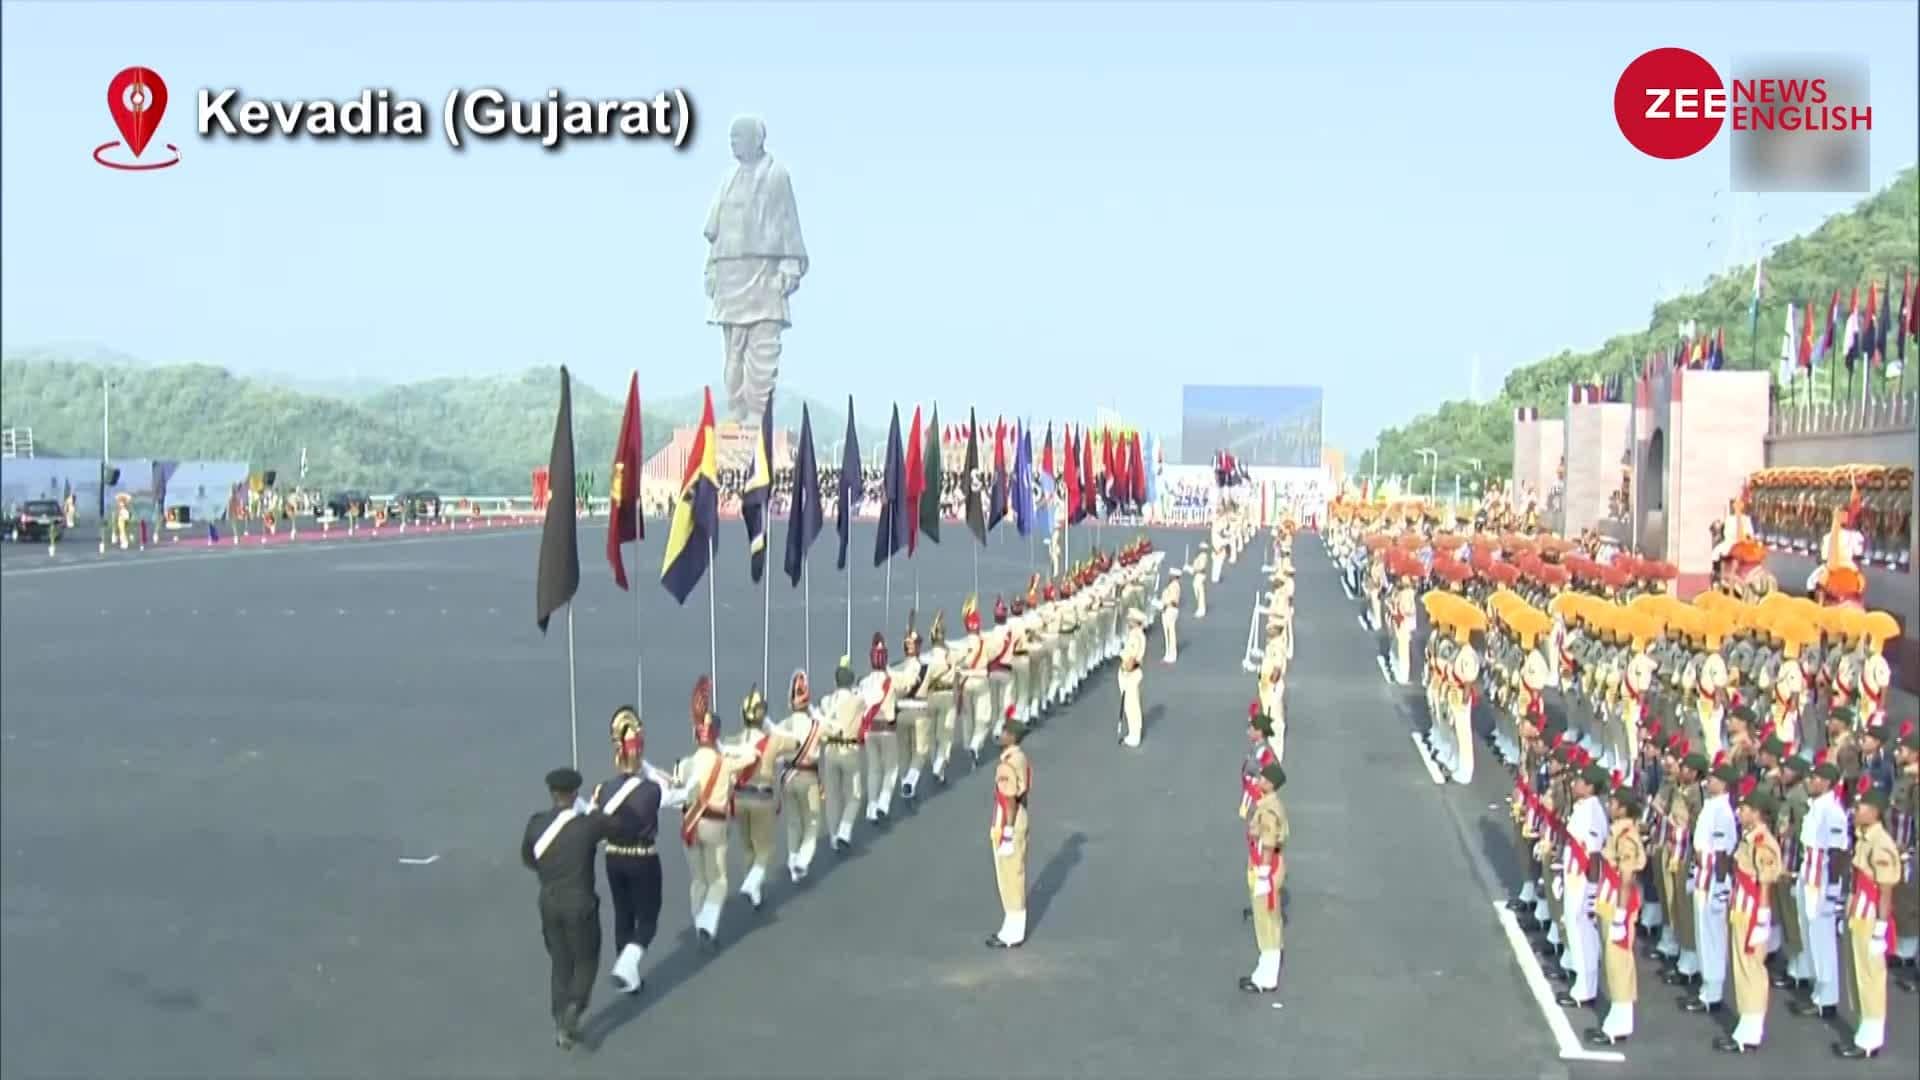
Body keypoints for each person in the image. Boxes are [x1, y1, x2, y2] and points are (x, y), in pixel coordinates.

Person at [703, 115, 809, 423]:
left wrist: (789, 267)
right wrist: (710, 269)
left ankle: (758, 414)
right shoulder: (728, 179)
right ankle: (736, 409)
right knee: (733, 351)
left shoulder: (776, 175)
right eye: (731, 137)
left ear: (757, 139)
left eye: (739, 137)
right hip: (729, 274)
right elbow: (715, 232)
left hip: (764, 273)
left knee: (763, 349)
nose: (733, 142)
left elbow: (788, 223)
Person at [592, 707, 677, 995]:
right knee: (649, 918)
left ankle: (630, 978)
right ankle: (626, 965)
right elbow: (676, 791)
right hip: (643, 860)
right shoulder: (652, 790)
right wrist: (648, 766)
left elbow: (593, 815)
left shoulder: (602, 790)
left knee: (623, 914)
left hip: (613, 858)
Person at [520, 767, 606, 1050]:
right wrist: (592, 808)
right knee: (586, 960)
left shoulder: (535, 824)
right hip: (579, 903)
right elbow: (614, 826)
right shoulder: (586, 826)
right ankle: (574, 1009)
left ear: (552, 793)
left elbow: (529, 859)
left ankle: (560, 1022)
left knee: (560, 962)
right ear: (574, 793)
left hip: (549, 901)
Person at [671, 676, 759, 948]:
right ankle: (708, 922)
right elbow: (753, 756)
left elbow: (677, 793)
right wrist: (725, 748)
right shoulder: (725, 762)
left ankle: (699, 921)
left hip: (691, 823)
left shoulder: (685, 763)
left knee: (698, 880)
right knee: (718, 879)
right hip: (716, 826)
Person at [1834, 787, 1903, 1059]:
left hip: (1873, 914)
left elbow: (1885, 889)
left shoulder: (1881, 842)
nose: (1855, 811)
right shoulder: (1863, 837)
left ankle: (1871, 1038)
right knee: (1858, 974)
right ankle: (1864, 1027)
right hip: (1859, 914)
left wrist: (1881, 929)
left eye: (1861, 807)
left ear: (1875, 812)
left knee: (1871, 977)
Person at [1719, 784, 1783, 1054]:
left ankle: (1751, 1028)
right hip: (1742, 908)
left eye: (1744, 808)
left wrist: (1763, 918)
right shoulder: (1749, 838)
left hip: (1753, 910)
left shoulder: (1762, 842)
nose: (1739, 812)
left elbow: (1765, 881)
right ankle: (1746, 1023)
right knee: (1742, 967)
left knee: (1752, 968)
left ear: (1756, 813)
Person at [1586, 785, 1646, 1046]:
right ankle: (1617, 1014)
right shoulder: (1618, 832)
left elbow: (1627, 878)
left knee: (1618, 961)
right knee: (1611, 961)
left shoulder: (1627, 836)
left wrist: (1621, 915)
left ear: (1624, 808)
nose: (1609, 806)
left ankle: (1621, 1021)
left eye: (1613, 803)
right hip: (1609, 900)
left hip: (1619, 903)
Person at [1791, 757, 1850, 1020]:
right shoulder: (1815, 806)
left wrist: (1833, 894)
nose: (1810, 781)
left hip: (1823, 880)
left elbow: (1838, 855)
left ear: (1827, 783)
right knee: (1810, 936)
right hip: (1809, 875)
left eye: (1815, 778)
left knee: (1822, 939)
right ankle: (1818, 990)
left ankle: (1827, 998)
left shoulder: (1833, 811)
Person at [729, 685, 799, 908]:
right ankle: (751, 884)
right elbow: (796, 742)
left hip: (739, 798)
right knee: (765, 849)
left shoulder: (734, 740)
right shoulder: (773, 740)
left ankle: (754, 890)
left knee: (748, 846)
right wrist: (772, 725)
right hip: (761, 798)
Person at [1680, 763, 1738, 1017]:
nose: (1708, 781)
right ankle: (1707, 986)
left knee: (1713, 937)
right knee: (1704, 935)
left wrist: (1721, 889)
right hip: (1704, 876)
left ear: (1724, 783)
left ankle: (1712, 991)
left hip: (1714, 879)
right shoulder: (1713, 806)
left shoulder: (1722, 812)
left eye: (1713, 778)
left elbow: (1723, 853)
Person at [1241, 761, 1289, 993]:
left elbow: (1268, 843)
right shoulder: (1270, 803)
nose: (1259, 780)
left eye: (1262, 778)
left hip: (1267, 867)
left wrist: (1262, 874)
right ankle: (1266, 970)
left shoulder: (1269, 811)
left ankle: (1267, 976)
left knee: (1266, 923)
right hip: (1270, 866)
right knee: (1269, 921)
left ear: (1270, 784)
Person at [987, 713, 1032, 949]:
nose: (1000, 735)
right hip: (1017, 816)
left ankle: (1013, 932)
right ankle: (1011, 926)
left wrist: (1007, 831)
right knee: (1012, 873)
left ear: (1012, 736)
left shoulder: (1007, 764)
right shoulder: (1020, 757)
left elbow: (1009, 799)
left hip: (1009, 819)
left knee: (1009, 876)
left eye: (1004, 731)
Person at [779, 671, 826, 881]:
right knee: (812, 822)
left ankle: (792, 860)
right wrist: (817, 714)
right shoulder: (815, 724)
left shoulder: (782, 726)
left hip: (787, 776)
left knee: (793, 823)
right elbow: (834, 730)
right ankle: (802, 860)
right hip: (808, 778)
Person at [820, 656, 865, 851]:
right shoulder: (857, 700)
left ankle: (833, 835)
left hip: (830, 751)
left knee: (833, 796)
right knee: (854, 794)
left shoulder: (826, 701)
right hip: (849, 751)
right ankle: (845, 829)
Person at [859, 632, 900, 823]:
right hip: (887, 730)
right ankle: (883, 803)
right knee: (891, 769)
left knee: (873, 770)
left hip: (870, 731)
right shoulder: (891, 680)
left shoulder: (864, 682)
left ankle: (871, 807)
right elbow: (908, 684)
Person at [1116, 608, 1148, 748]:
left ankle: (1135, 734)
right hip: (1131, 672)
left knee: (1131, 705)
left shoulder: (1136, 637)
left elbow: (1132, 658)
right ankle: (1133, 732)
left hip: (1130, 673)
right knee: (1130, 704)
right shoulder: (1136, 634)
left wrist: (1126, 671)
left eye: (1130, 620)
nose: (1128, 621)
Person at [1158, 568, 1183, 664]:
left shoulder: (1175, 586)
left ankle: (1172, 654)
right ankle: (1168, 653)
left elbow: (1174, 600)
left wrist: (1164, 603)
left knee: (1171, 632)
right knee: (1166, 632)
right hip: (1166, 609)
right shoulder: (1171, 585)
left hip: (1171, 609)